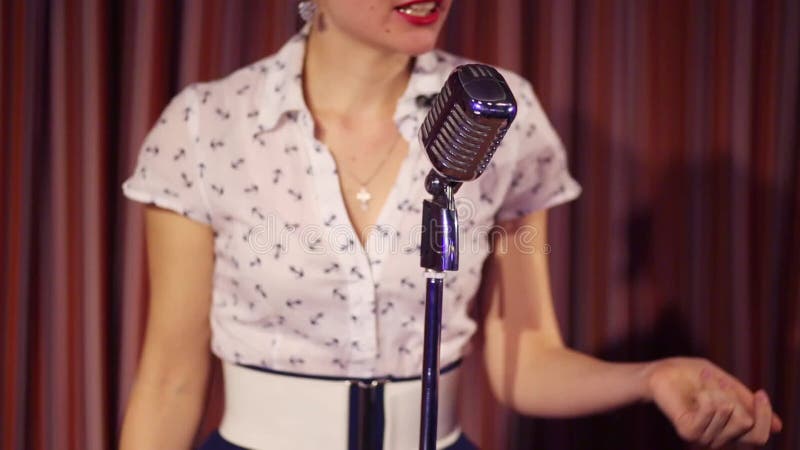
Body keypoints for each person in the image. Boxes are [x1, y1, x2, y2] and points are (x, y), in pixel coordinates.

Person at [118, 1, 782, 449]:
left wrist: (650, 377)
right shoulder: (207, 126)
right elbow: (170, 380)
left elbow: (526, 356)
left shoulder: (500, 113)